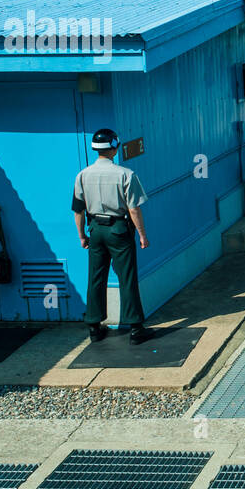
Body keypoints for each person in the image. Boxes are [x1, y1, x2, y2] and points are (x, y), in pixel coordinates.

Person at [71, 128, 153, 346]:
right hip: (119, 229)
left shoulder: (82, 175)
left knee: (96, 277)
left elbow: (78, 211)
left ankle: (94, 326)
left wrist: (82, 236)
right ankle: (135, 328)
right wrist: (143, 235)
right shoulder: (125, 174)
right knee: (127, 276)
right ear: (114, 147)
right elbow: (133, 209)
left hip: (95, 229)